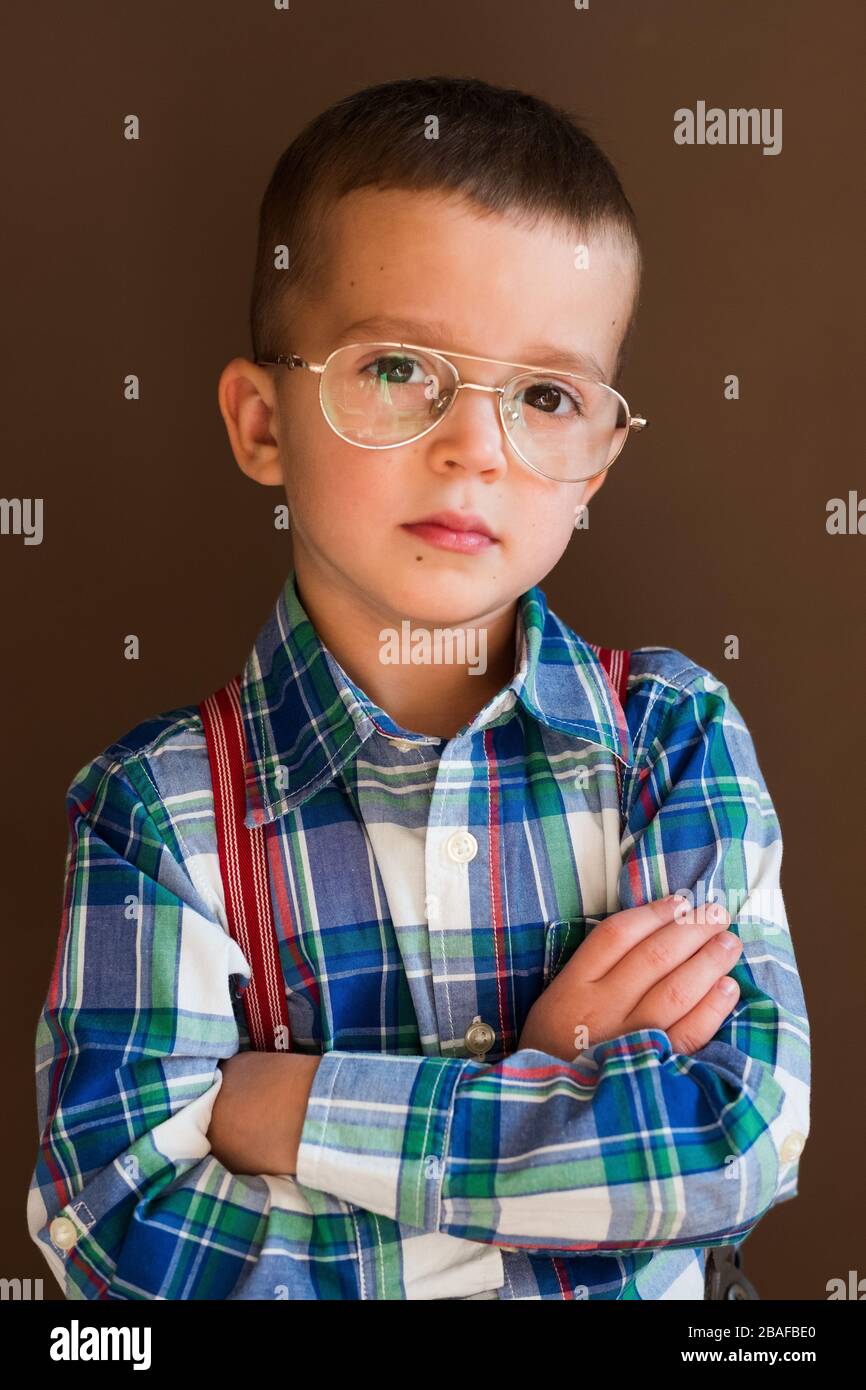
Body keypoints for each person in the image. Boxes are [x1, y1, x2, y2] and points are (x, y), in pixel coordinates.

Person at [27, 74, 810, 1300]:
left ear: (596, 460)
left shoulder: (668, 737)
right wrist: (546, 1085)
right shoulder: (156, 814)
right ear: (261, 424)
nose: (476, 446)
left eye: (545, 395)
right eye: (396, 366)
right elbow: (122, 1250)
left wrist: (293, 1111)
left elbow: (726, 1147)